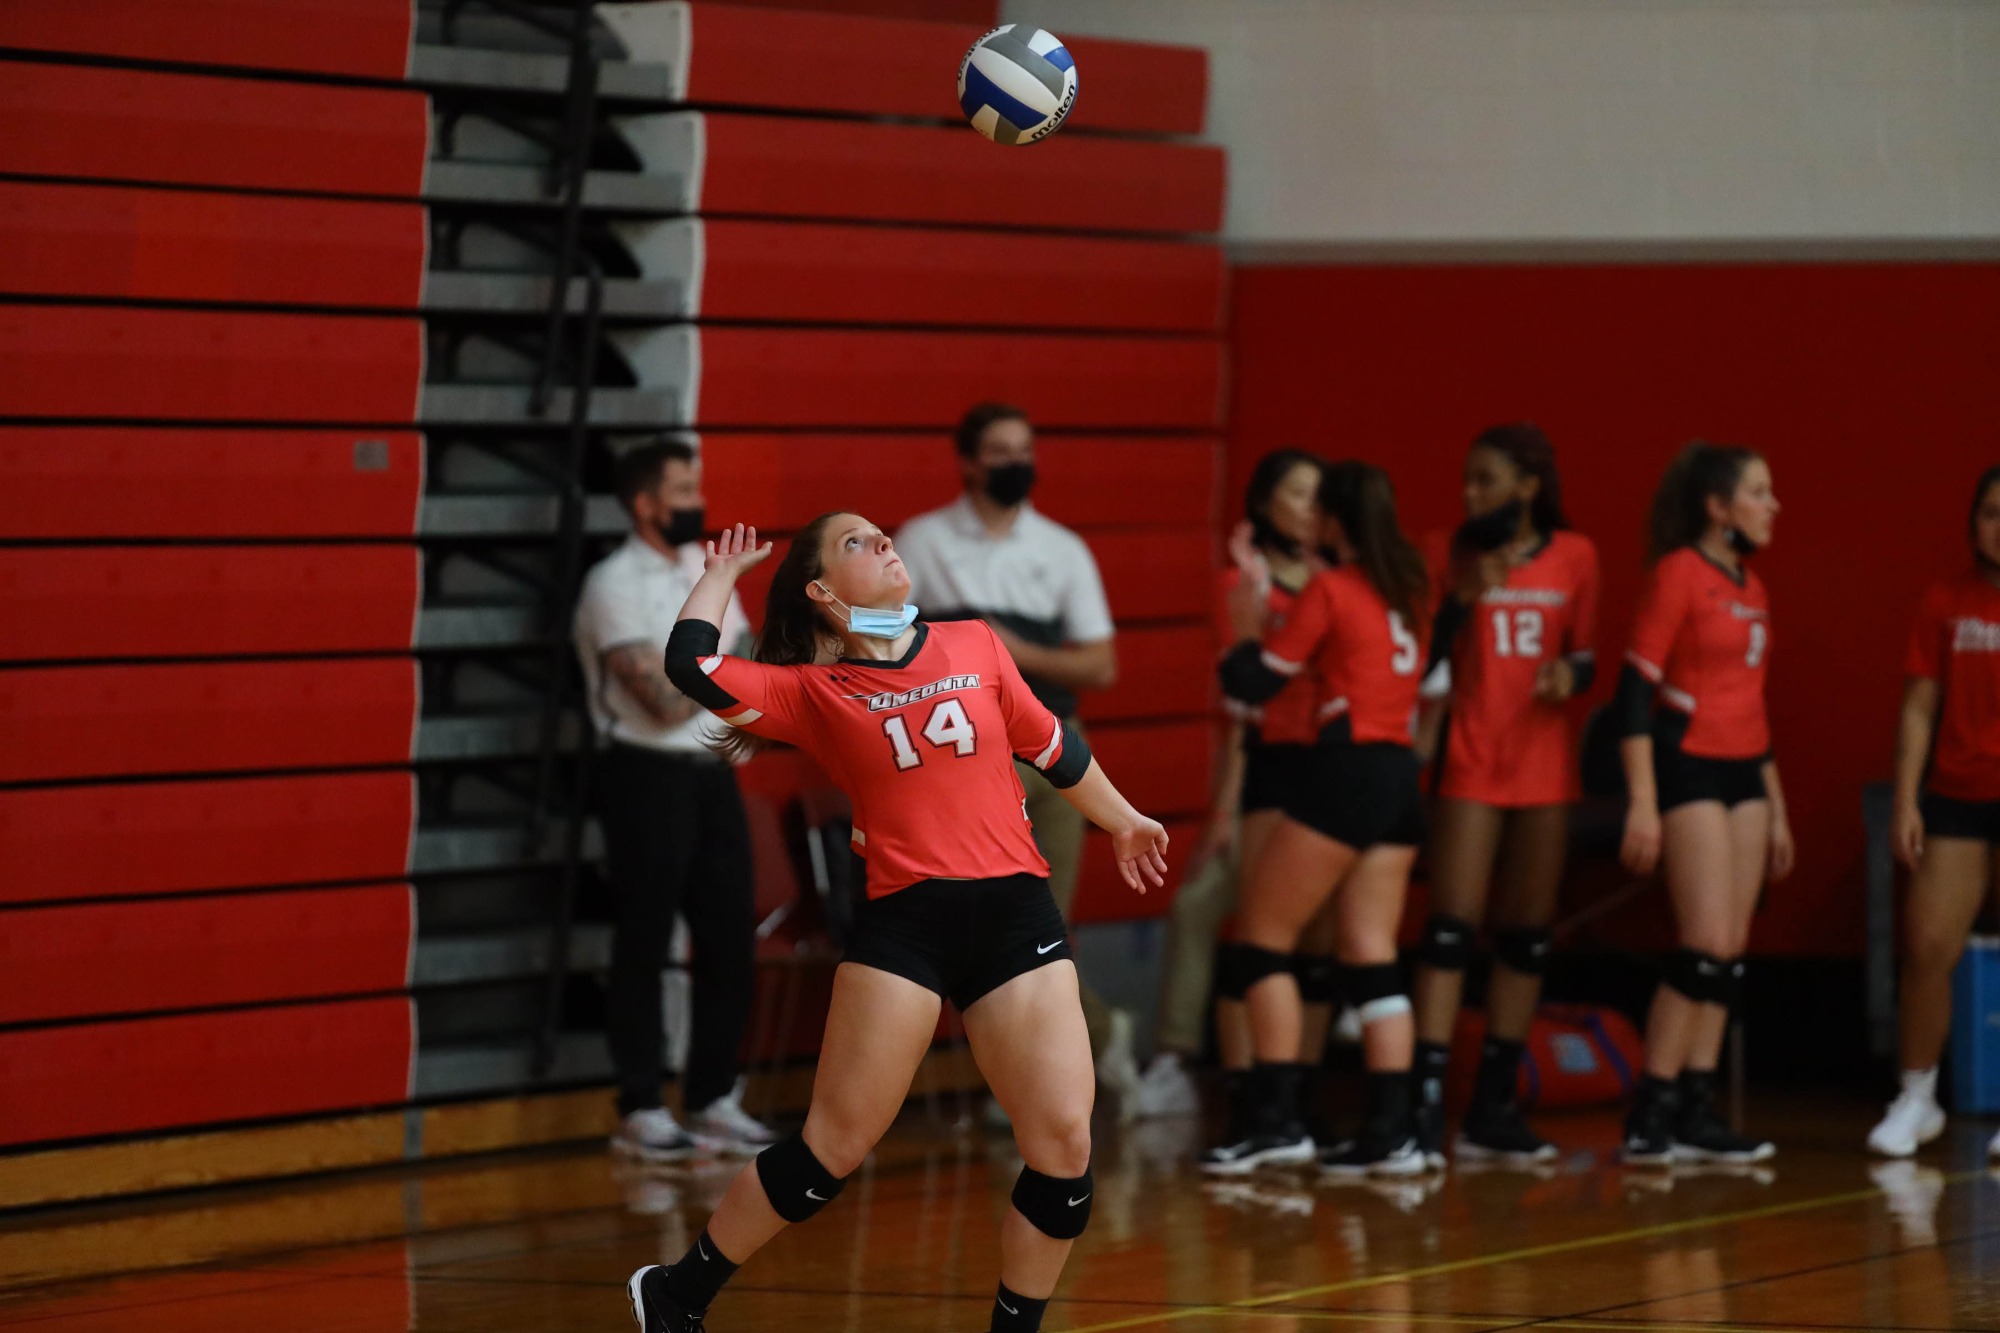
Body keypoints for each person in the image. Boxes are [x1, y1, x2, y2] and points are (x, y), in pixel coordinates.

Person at [629, 517, 1169, 1333]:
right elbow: (692, 666)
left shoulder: (974, 642)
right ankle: (675, 1293)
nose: (883, 543)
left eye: (882, 534)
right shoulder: (815, 690)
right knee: (829, 1152)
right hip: (907, 927)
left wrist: (1122, 818)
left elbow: (1051, 744)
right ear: (821, 591)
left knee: (1064, 1150)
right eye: (856, 542)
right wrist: (721, 574)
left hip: (1015, 915)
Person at [894, 403, 1141, 1111]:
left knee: (1044, 931)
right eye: (1000, 451)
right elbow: (884, 646)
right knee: (984, 927)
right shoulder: (922, 542)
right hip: (961, 758)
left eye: (1024, 450)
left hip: (1054, 753)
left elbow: (1101, 664)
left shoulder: (1061, 550)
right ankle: (1091, 1042)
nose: (1016, 463)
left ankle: (1041, 1087)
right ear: (968, 462)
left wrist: (1008, 649)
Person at [1205, 461, 1432, 1177]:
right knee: (1370, 949)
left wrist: (1246, 627)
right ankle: (1393, 1129)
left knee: (1262, 943)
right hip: (1401, 776)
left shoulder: (1331, 589)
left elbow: (1253, 681)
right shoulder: (1408, 588)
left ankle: (1277, 1121)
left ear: (1335, 520)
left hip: (1346, 770)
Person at [573, 440, 773, 1160]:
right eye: (683, 490)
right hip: (643, 774)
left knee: (728, 937)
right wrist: (718, 666)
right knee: (645, 938)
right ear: (645, 504)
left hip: (711, 771)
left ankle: (714, 1096)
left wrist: (701, 666)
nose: (698, 502)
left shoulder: (703, 569)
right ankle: (640, 1105)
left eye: (697, 487)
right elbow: (657, 702)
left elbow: (751, 662)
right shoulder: (611, 583)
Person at [1411, 424, 1600, 1167]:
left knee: (1526, 937)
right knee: (1450, 931)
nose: (1471, 493)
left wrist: (1569, 676)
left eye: (1486, 479)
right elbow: (1420, 658)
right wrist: (1462, 599)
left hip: (1544, 762)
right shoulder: (1448, 553)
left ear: (1527, 485)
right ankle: (1424, 1103)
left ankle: (1494, 1106)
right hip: (1471, 756)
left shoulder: (1576, 555)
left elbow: (1586, 656)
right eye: (1467, 479)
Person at [1137, 450, 1341, 1128]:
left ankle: (1297, 1087)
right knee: (1210, 907)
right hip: (1266, 771)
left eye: (1320, 495)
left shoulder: (1339, 582)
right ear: (1264, 504)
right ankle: (1191, 1064)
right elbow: (1241, 711)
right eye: (1299, 493)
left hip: (1334, 772)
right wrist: (1223, 810)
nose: (1311, 508)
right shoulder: (1242, 585)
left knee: (1312, 934)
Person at [1613, 442, 1794, 1166]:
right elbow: (1634, 693)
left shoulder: (1754, 587)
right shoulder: (1678, 573)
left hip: (1746, 772)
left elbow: (1754, 703)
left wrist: (1778, 807)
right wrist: (1643, 801)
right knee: (1704, 942)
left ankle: (1696, 1106)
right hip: (1686, 766)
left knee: (1732, 950)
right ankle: (1650, 1107)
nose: (1773, 504)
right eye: (1759, 491)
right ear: (1718, 507)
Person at [1869, 465, 2000, 1159]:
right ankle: (1917, 1097)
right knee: (1926, 946)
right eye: (1990, 512)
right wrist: (1906, 798)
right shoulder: (1945, 599)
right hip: (1957, 794)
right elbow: (1919, 708)